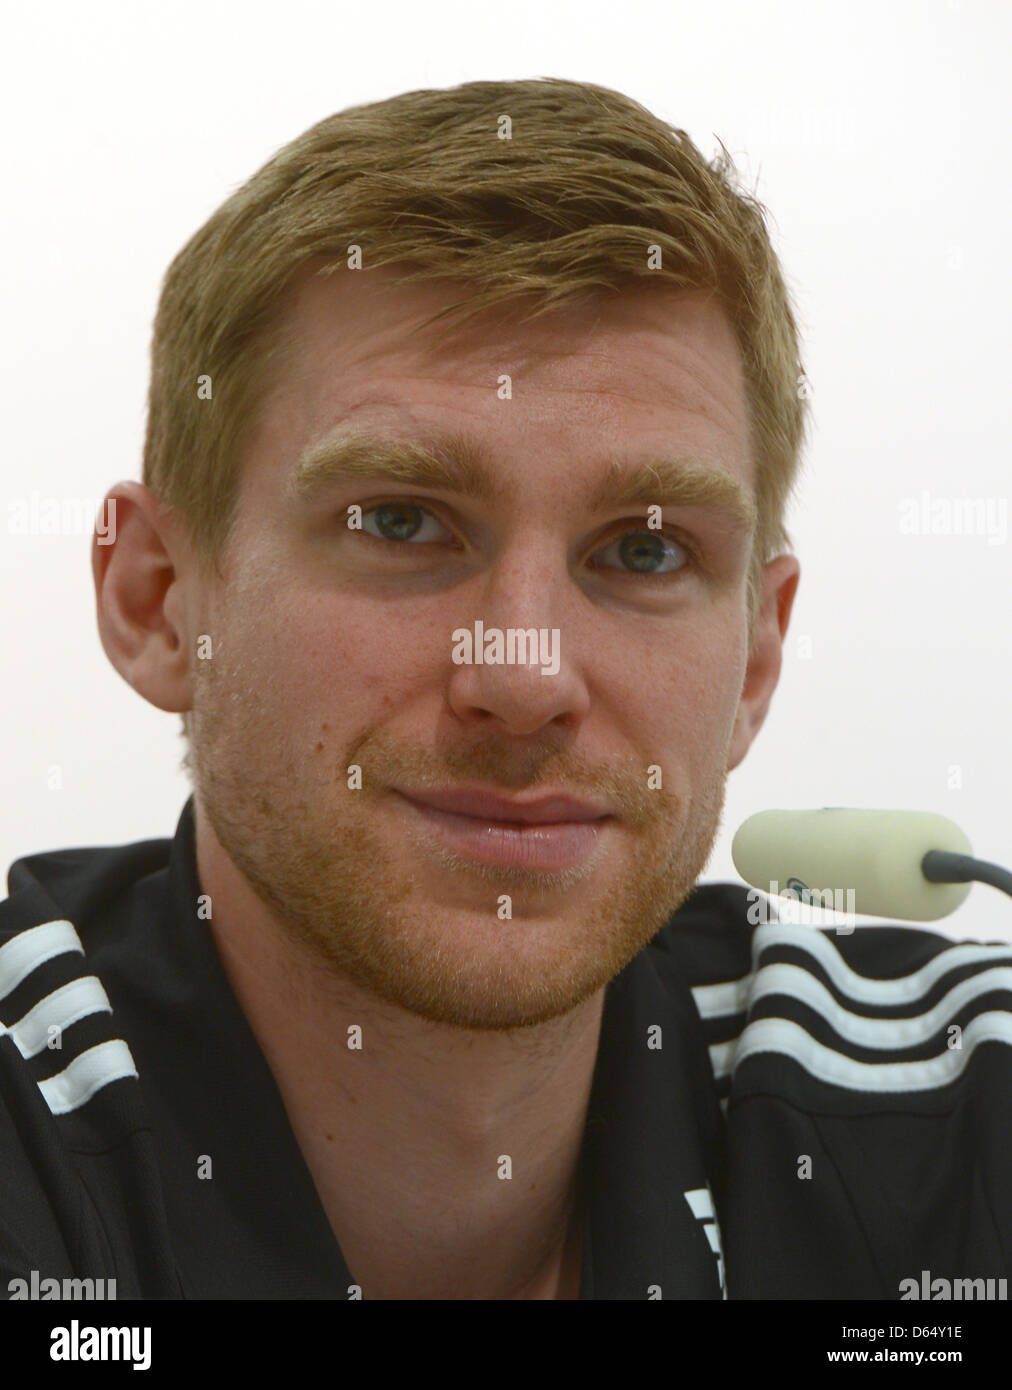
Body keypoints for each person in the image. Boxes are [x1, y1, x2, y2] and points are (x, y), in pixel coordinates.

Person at [2, 77, 1008, 1302]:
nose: (524, 680)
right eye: (401, 521)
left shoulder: (955, 1102)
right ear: (159, 599)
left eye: (643, 551)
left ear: (753, 658)